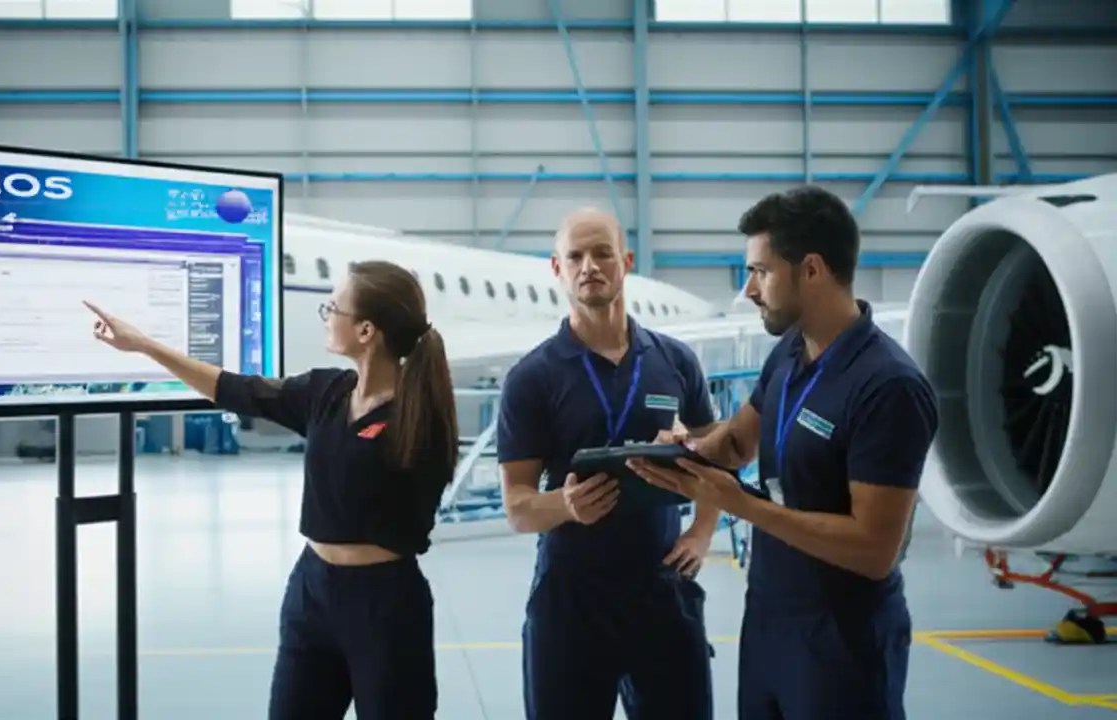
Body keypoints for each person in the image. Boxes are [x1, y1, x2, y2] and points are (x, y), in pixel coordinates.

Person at [83, 260, 459, 720]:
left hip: (384, 604)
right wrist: (144, 345)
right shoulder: (325, 391)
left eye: (333, 308)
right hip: (311, 592)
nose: (326, 317)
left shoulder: (419, 418)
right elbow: (234, 389)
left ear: (366, 331)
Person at [627, 185, 939, 720]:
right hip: (770, 619)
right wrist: (688, 448)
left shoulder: (889, 386)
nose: (748, 289)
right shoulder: (790, 353)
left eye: (760, 272)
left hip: (844, 636)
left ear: (811, 269)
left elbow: (875, 548)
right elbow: (736, 442)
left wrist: (740, 504)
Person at [496, 207, 720, 720]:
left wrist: (702, 532)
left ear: (627, 261)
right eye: (575, 256)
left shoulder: (675, 361)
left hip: (662, 588)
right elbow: (518, 508)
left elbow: (717, 459)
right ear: (558, 268)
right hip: (571, 600)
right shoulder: (532, 378)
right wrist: (567, 505)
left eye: (603, 253)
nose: (589, 266)